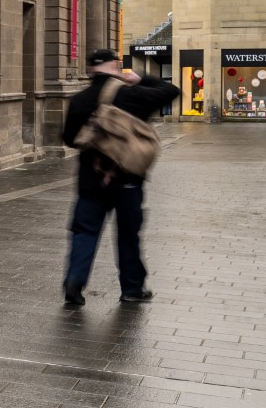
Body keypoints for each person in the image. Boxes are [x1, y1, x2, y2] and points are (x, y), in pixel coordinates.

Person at [60, 48, 180, 307]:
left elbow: (69, 139)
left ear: (90, 69)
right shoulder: (131, 94)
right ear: (116, 65)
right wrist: (142, 79)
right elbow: (172, 91)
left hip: (91, 177)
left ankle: (74, 281)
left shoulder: (79, 99)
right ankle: (132, 289)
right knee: (128, 234)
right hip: (127, 179)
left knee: (84, 231)